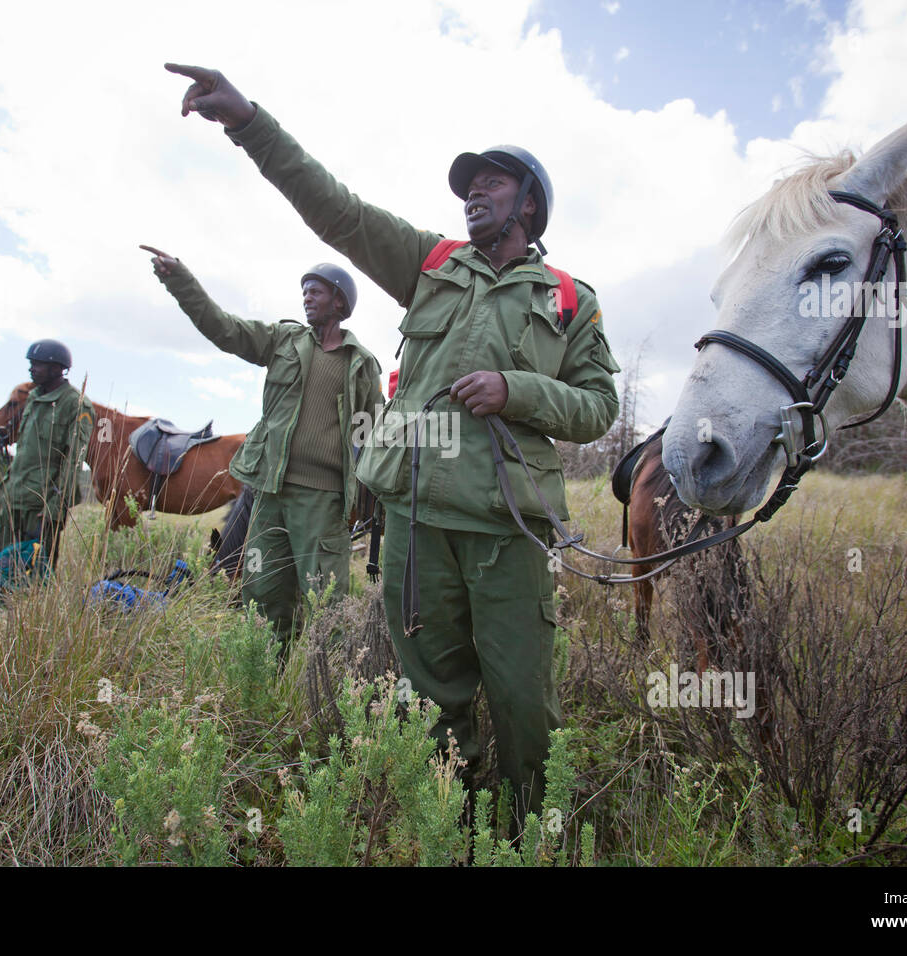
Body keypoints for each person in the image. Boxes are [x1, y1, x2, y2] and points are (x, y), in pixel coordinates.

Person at [164, 65, 621, 820]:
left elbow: (600, 405)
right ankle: (451, 826)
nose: (473, 192)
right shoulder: (431, 262)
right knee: (429, 699)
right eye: (467, 184)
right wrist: (248, 122)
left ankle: (526, 834)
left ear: (529, 203)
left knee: (522, 699)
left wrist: (520, 391)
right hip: (413, 522)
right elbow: (335, 210)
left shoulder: (568, 299)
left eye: (492, 182)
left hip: (507, 528)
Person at [140, 247, 382, 645]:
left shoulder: (361, 364)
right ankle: (269, 677)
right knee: (263, 590)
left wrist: (374, 499)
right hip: (270, 492)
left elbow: (370, 433)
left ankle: (335, 686)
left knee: (327, 600)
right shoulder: (282, 340)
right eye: (304, 290)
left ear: (340, 301)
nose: (306, 296)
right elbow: (223, 328)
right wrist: (180, 281)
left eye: (317, 291)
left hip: (322, 500)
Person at [0, 339, 95, 576]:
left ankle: (27, 611)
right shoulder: (33, 398)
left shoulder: (76, 405)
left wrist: (56, 506)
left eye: (38, 364)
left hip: (41, 503)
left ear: (57, 368)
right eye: (31, 363)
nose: (31, 369)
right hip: (14, 495)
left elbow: (73, 462)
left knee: (34, 567)